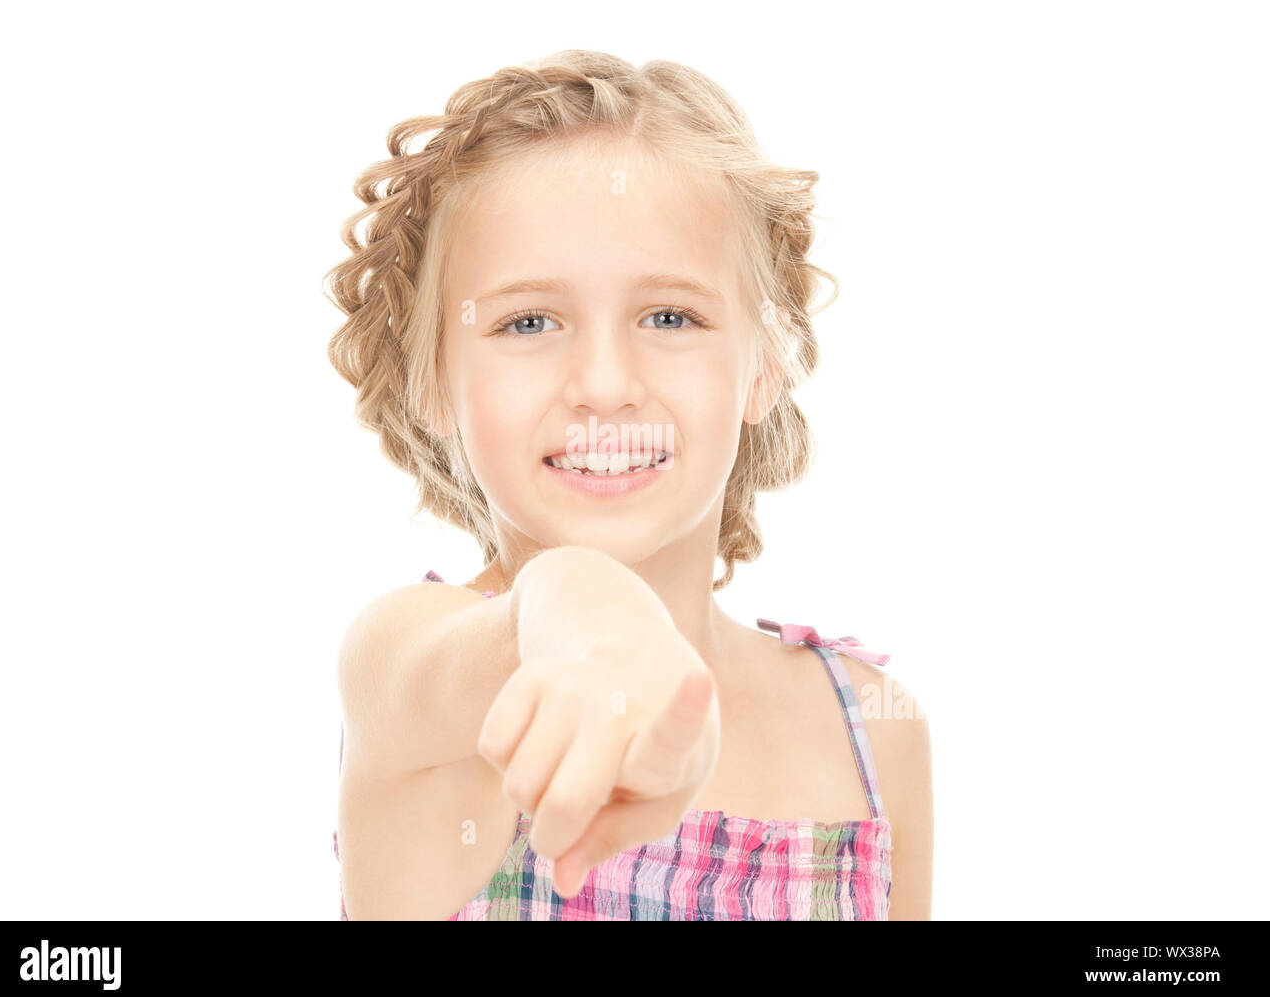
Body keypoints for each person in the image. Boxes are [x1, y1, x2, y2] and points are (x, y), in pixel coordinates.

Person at [323, 49, 933, 920]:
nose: (605, 382)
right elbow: (543, 615)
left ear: (767, 361)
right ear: (432, 381)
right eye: (528, 321)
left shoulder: (873, 728)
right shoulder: (414, 672)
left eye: (669, 316)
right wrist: (599, 629)